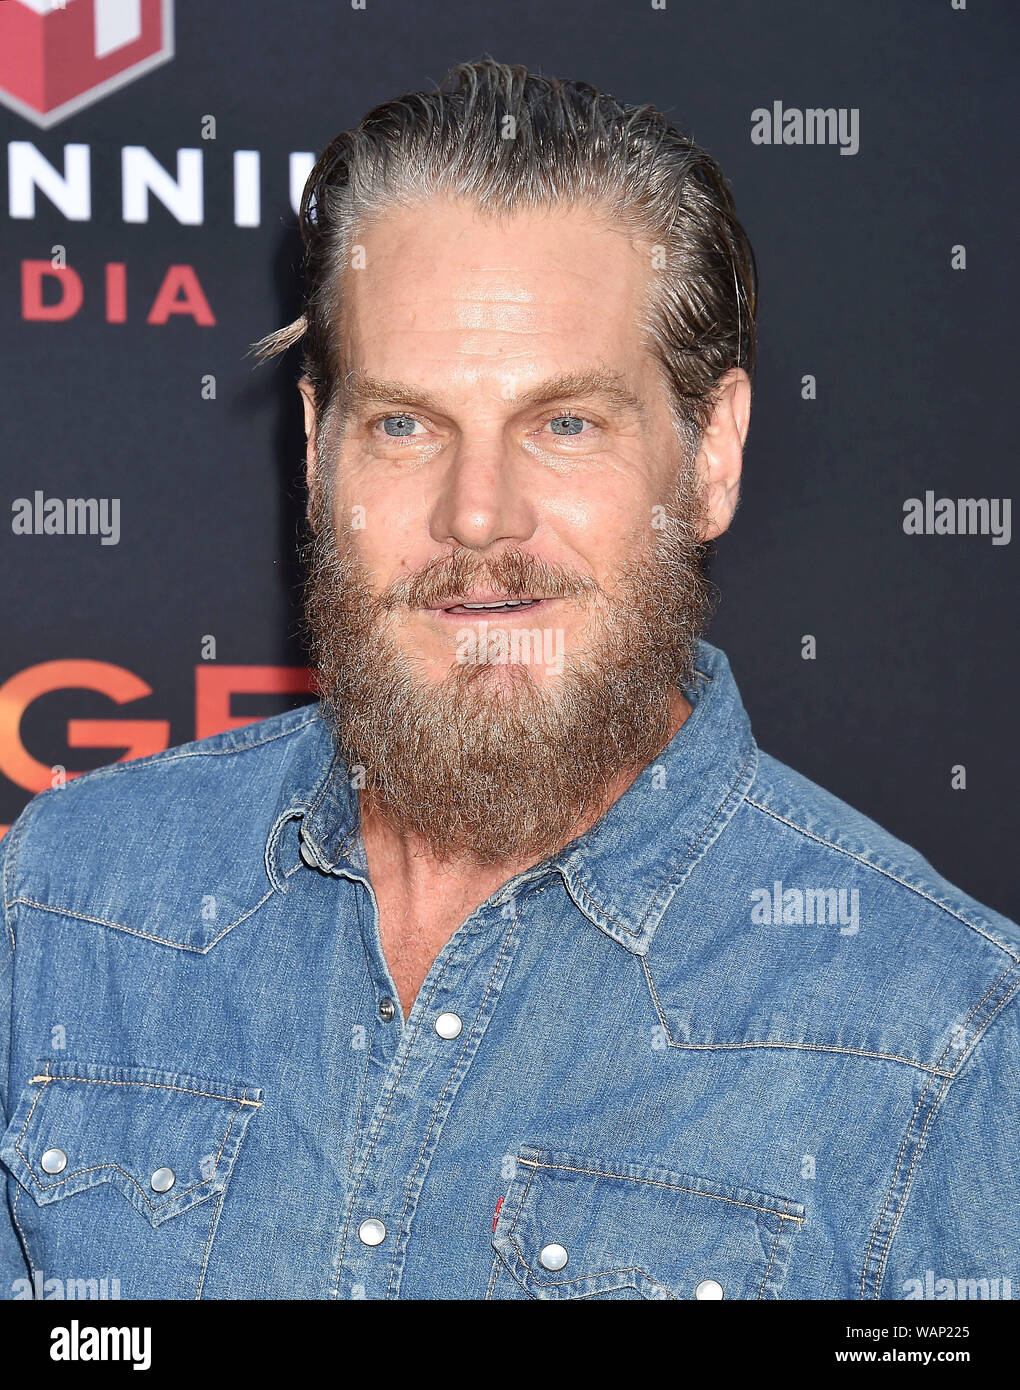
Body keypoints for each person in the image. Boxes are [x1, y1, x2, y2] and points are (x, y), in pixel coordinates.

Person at [2, 59, 1017, 1302]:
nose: (477, 517)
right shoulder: (67, 903)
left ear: (712, 458)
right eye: (406, 424)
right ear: (318, 454)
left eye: (566, 424)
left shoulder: (939, 1039)